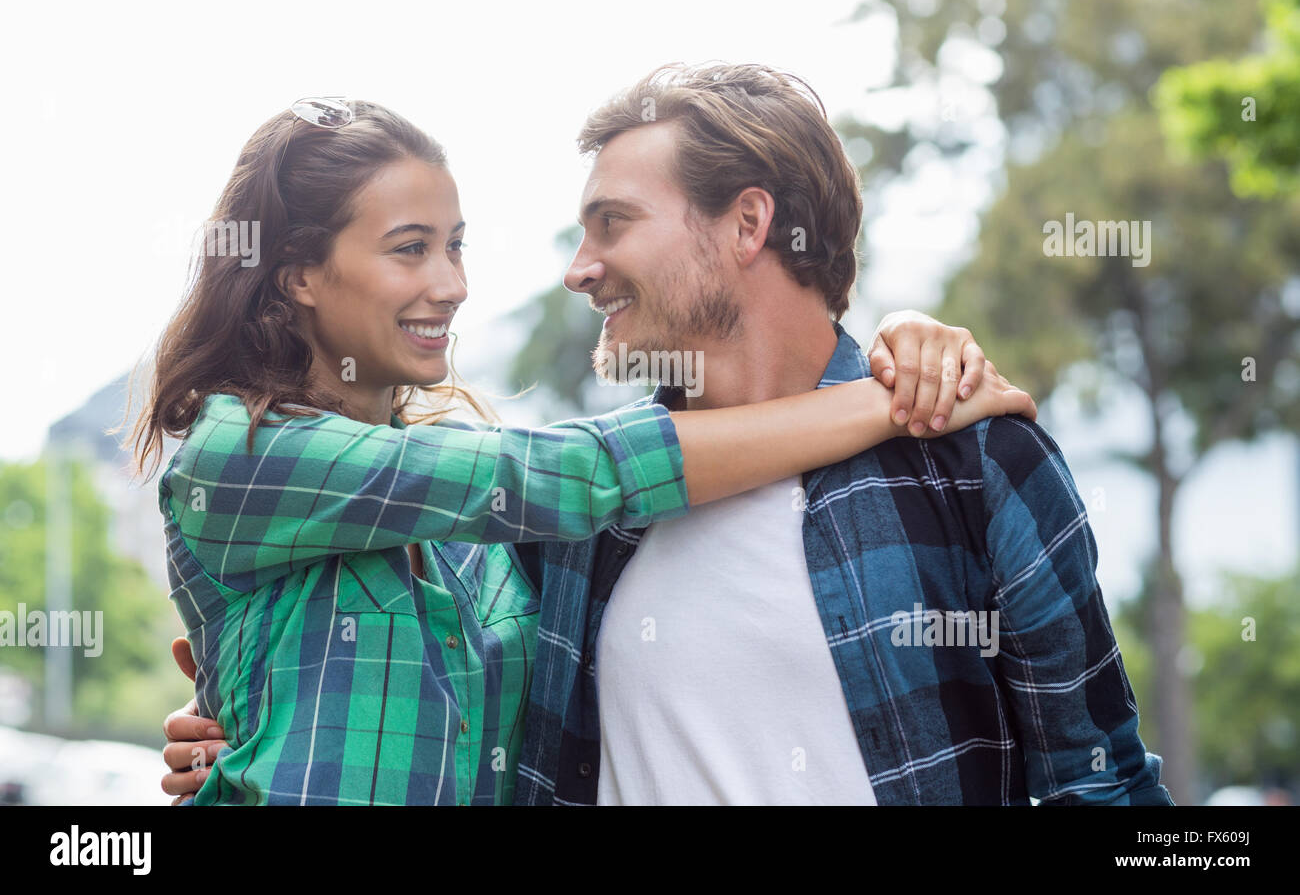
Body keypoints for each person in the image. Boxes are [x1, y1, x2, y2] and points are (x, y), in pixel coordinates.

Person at [144, 94, 1034, 805]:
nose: (452, 286)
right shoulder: (242, 451)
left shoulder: (477, 526)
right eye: (410, 249)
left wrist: (909, 340)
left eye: (454, 247)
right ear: (297, 271)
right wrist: (888, 402)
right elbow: (572, 474)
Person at [498, 62, 1172, 805]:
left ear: (749, 224)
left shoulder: (976, 460)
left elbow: (1100, 779)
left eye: (612, 222)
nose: (579, 269)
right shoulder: (577, 505)